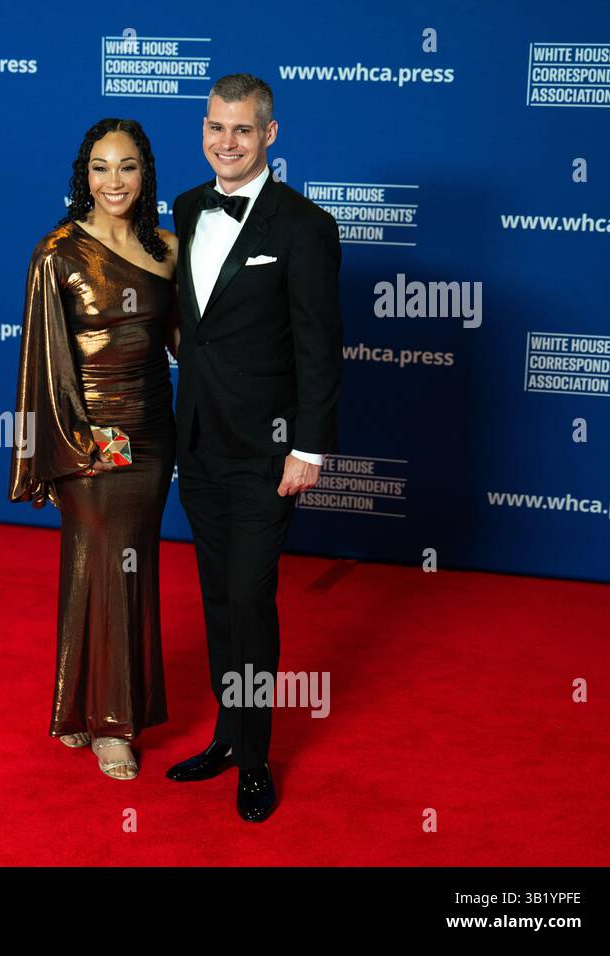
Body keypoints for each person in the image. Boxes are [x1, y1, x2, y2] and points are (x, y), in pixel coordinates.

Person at [166, 74, 342, 821]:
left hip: (268, 452)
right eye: (215, 128)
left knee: (249, 596)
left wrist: (310, 449)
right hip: (198, 443)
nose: (226, 143)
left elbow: (319, 348)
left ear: (271, 134)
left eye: (242, 130)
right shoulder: (183, 207)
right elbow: (191, 331)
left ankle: (257, 757)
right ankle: (227, 735)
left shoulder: (304, 226)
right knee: (213, 597)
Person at [9, 118, 180, 781]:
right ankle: (112, 725)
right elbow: (41, 360)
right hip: (90, 435)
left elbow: (184, 346)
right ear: (84, 174)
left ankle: (79, 707)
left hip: (152, 434)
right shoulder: (57, 250)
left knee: (111, 566)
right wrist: (81, 440)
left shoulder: (167, 248)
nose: (115, 181)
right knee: (107, 559)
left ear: (146, 174)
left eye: (128, 167)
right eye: (102, 168)